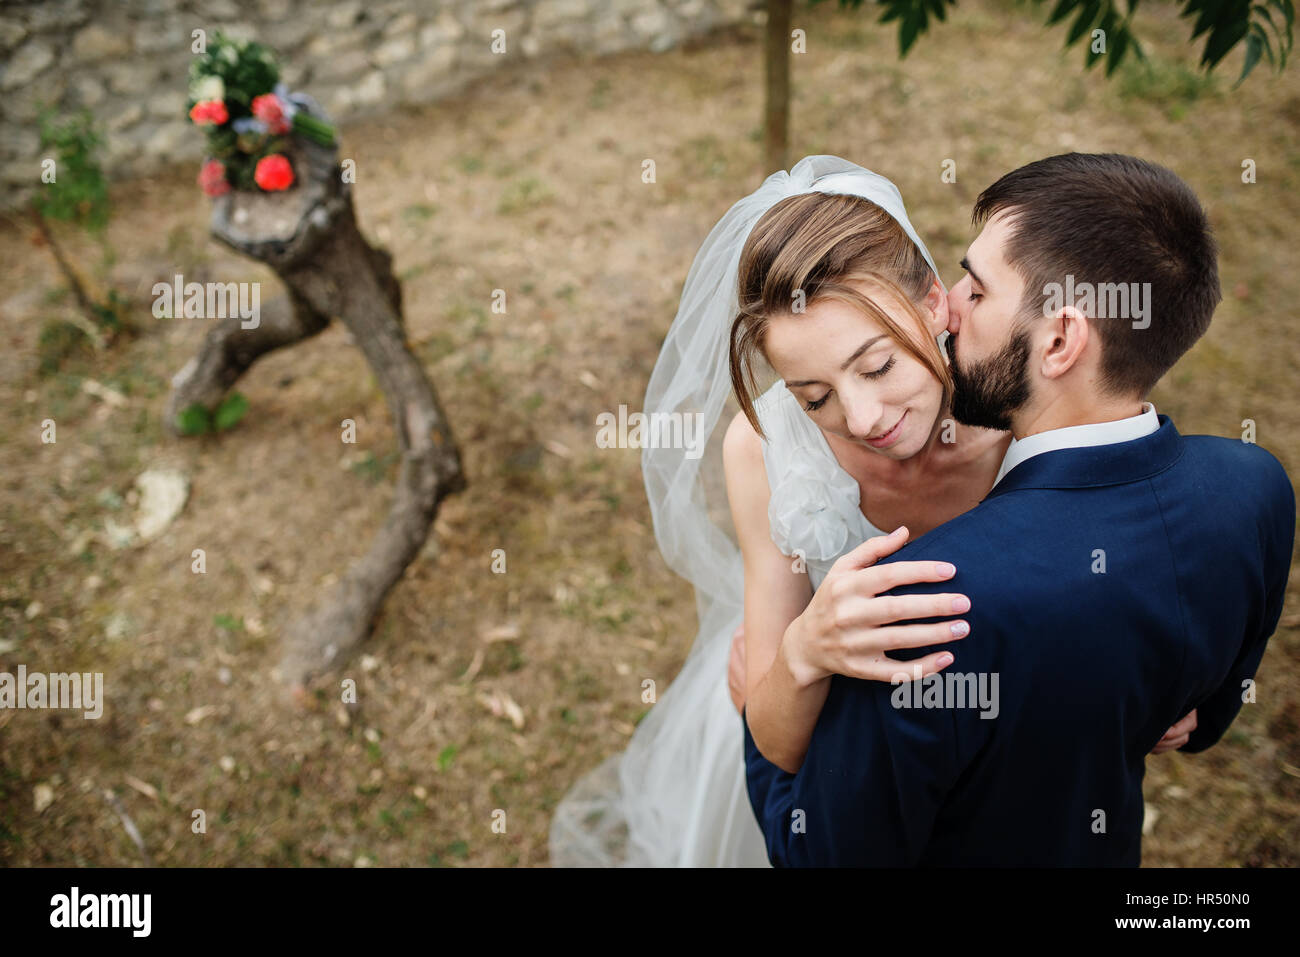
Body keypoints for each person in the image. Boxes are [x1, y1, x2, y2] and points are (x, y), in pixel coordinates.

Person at [742, 152, 1295, 866]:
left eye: (975, 288)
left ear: (1060, 339)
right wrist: (1175, 705)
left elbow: (823, 851)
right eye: (814, 397)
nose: (949, 308)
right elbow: (1217, 678)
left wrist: (754, 740)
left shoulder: (924, 602)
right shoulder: (1256, 483)